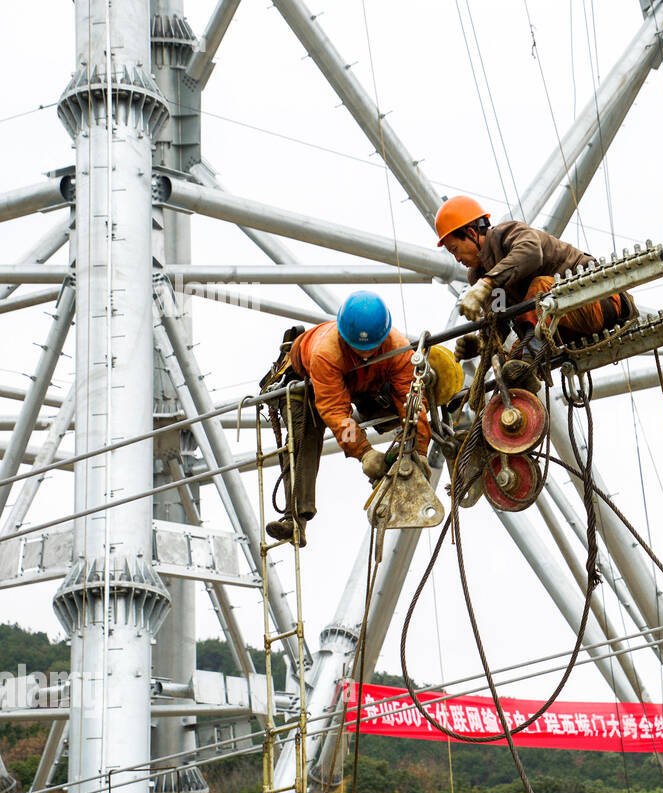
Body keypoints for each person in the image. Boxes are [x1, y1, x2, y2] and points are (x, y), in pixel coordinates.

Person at [264, 290, 431, 547]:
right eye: (359, 349)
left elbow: (411, 400)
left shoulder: (397, 349)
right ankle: (295, 519)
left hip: (367, 384)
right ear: (345, 336)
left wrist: (420, 448)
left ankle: (401, 454)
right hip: (309, 382)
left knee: (405, 406)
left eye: (371, 348)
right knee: (304, 431)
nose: (365, 353)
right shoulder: (326, 353)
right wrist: (363, 452)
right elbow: (336, 412)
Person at [434, 195, 635, 358]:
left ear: (471, 232)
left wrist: (488, 283)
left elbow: (530, 253)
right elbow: (499, 314)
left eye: (455, 249)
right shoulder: (479, 274)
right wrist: (480, 343)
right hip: (559, 327)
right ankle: (525, 368)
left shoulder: (507, 234)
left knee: (541, 290)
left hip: (600, 302)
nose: (457, 258)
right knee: (514, 366)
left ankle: (530, 353)